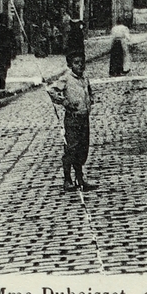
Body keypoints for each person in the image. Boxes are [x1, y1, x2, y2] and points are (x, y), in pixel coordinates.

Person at [45, 50, 95, 192]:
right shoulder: (66, 79)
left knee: (83, 149)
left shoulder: (85, 78)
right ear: (70, 65)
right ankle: (67, 180)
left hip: (84, 118)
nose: (80, 66)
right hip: (72, 120)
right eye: (76, 63)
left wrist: (90, 100)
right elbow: (51, 90)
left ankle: (80, 179)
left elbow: (89, 91)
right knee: (71, 149)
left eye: (82, 63)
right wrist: (65, 102)